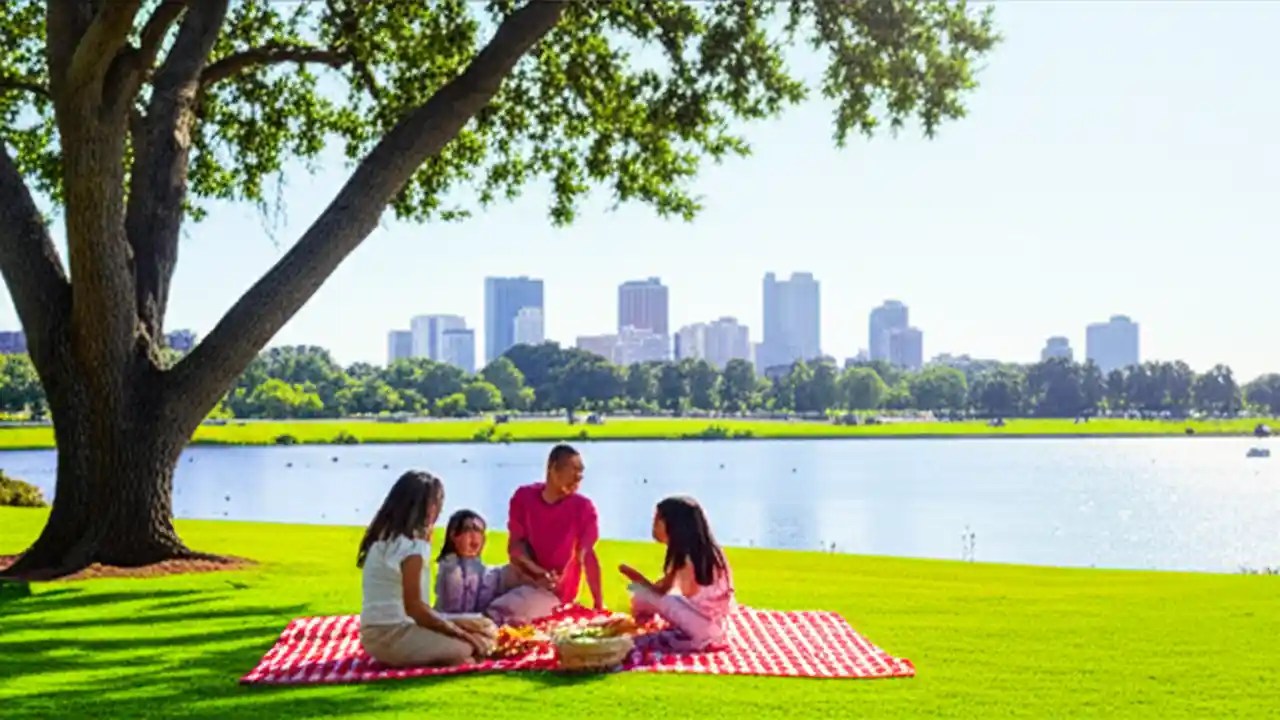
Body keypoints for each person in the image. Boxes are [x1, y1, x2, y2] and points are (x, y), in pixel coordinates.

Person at [357, 471, 494, 667]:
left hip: (393, 628)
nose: (440, 508)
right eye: (438, 501)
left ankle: (454, 650)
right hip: (390, 634)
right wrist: (463, 635)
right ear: (426, 507)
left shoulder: (385, 536)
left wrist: (459, 628)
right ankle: (454, 655)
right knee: (466, 647)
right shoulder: (410, 547)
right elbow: (415, 609)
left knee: (484, 626)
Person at [487, 444, 603, 624]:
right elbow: (515, 547)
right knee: (478, 581)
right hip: (521, 574)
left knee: (505, 608)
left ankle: (477, 625)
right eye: (573, 471)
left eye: (581, 472)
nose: (578, 478)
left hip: (552, 592)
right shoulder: (524, 497)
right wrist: (538, 572)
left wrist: (599, 605)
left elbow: (587, 555)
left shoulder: (583, 508)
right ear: (552, 469)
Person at [618, 496, 736, 652]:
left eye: (657, 520)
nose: (653, 526)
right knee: (645, 594)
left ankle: (643, 621)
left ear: (674, 525)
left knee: (639, 593)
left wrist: (637, 579)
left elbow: (662, 593)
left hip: (702, 628)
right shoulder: (708, 551)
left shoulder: (686, 556)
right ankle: (645, 619)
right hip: (716, 624)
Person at [434, 509, 512, 615]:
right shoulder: (450, 568)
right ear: (453, 535)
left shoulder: (487, 573)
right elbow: (453, 608)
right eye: (469, 529)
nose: (475, 536)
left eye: (480, 531)